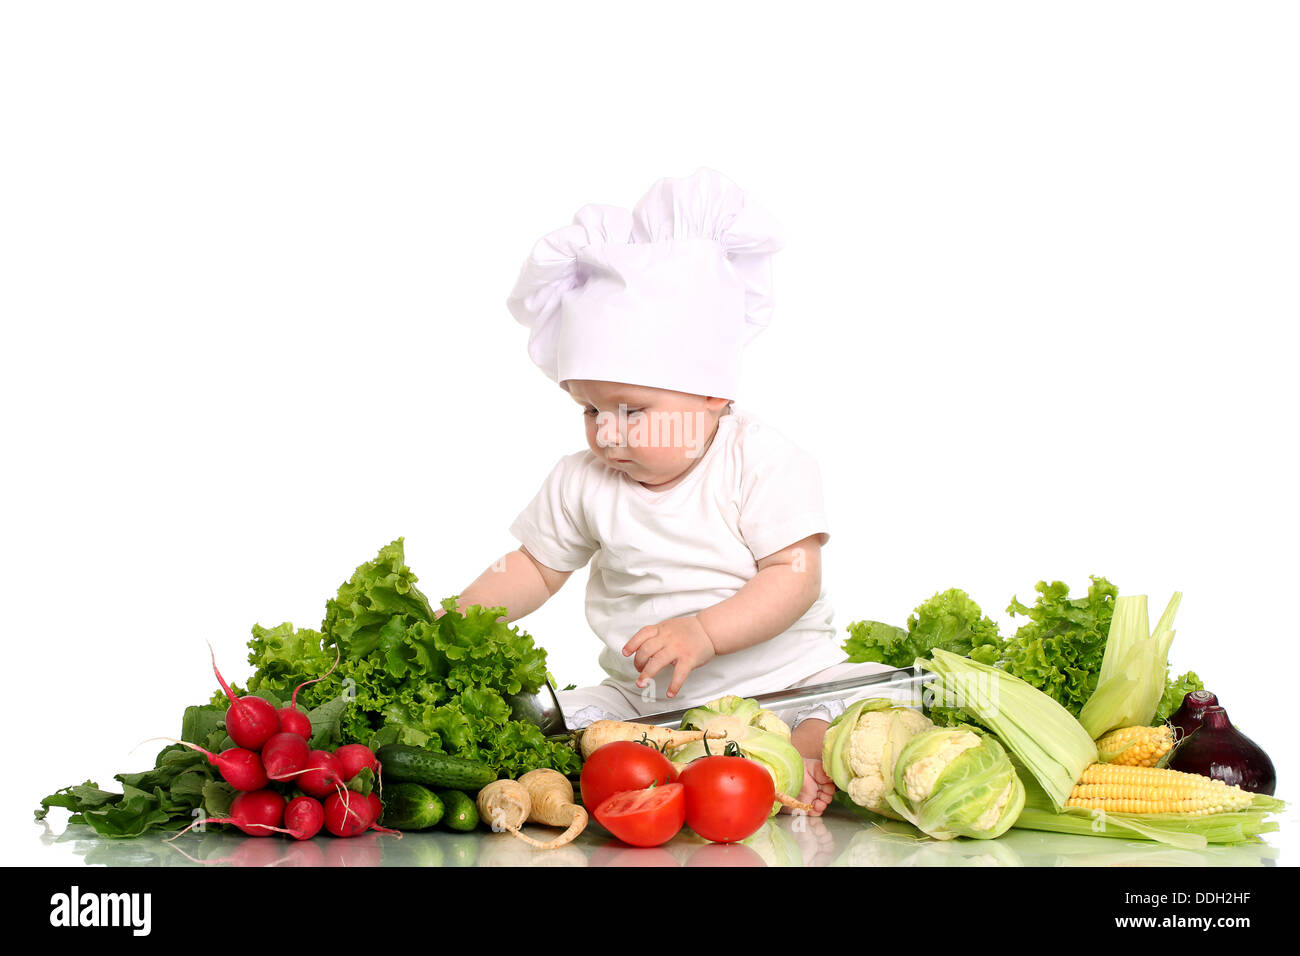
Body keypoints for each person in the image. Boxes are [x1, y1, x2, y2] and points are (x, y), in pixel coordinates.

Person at [440, 168, 907, 814]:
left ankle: (802, 744)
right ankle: (678, 760)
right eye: (589, 409)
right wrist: (458, 619)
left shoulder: (759, 459)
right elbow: (533, 567)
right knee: (562, 729)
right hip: (646, 703)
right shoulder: (584, 479)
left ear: (712, 393)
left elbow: (793, 577)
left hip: (784, 682)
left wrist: (705, 633)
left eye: (632, 410)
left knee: (862, 702)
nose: (607, 433)